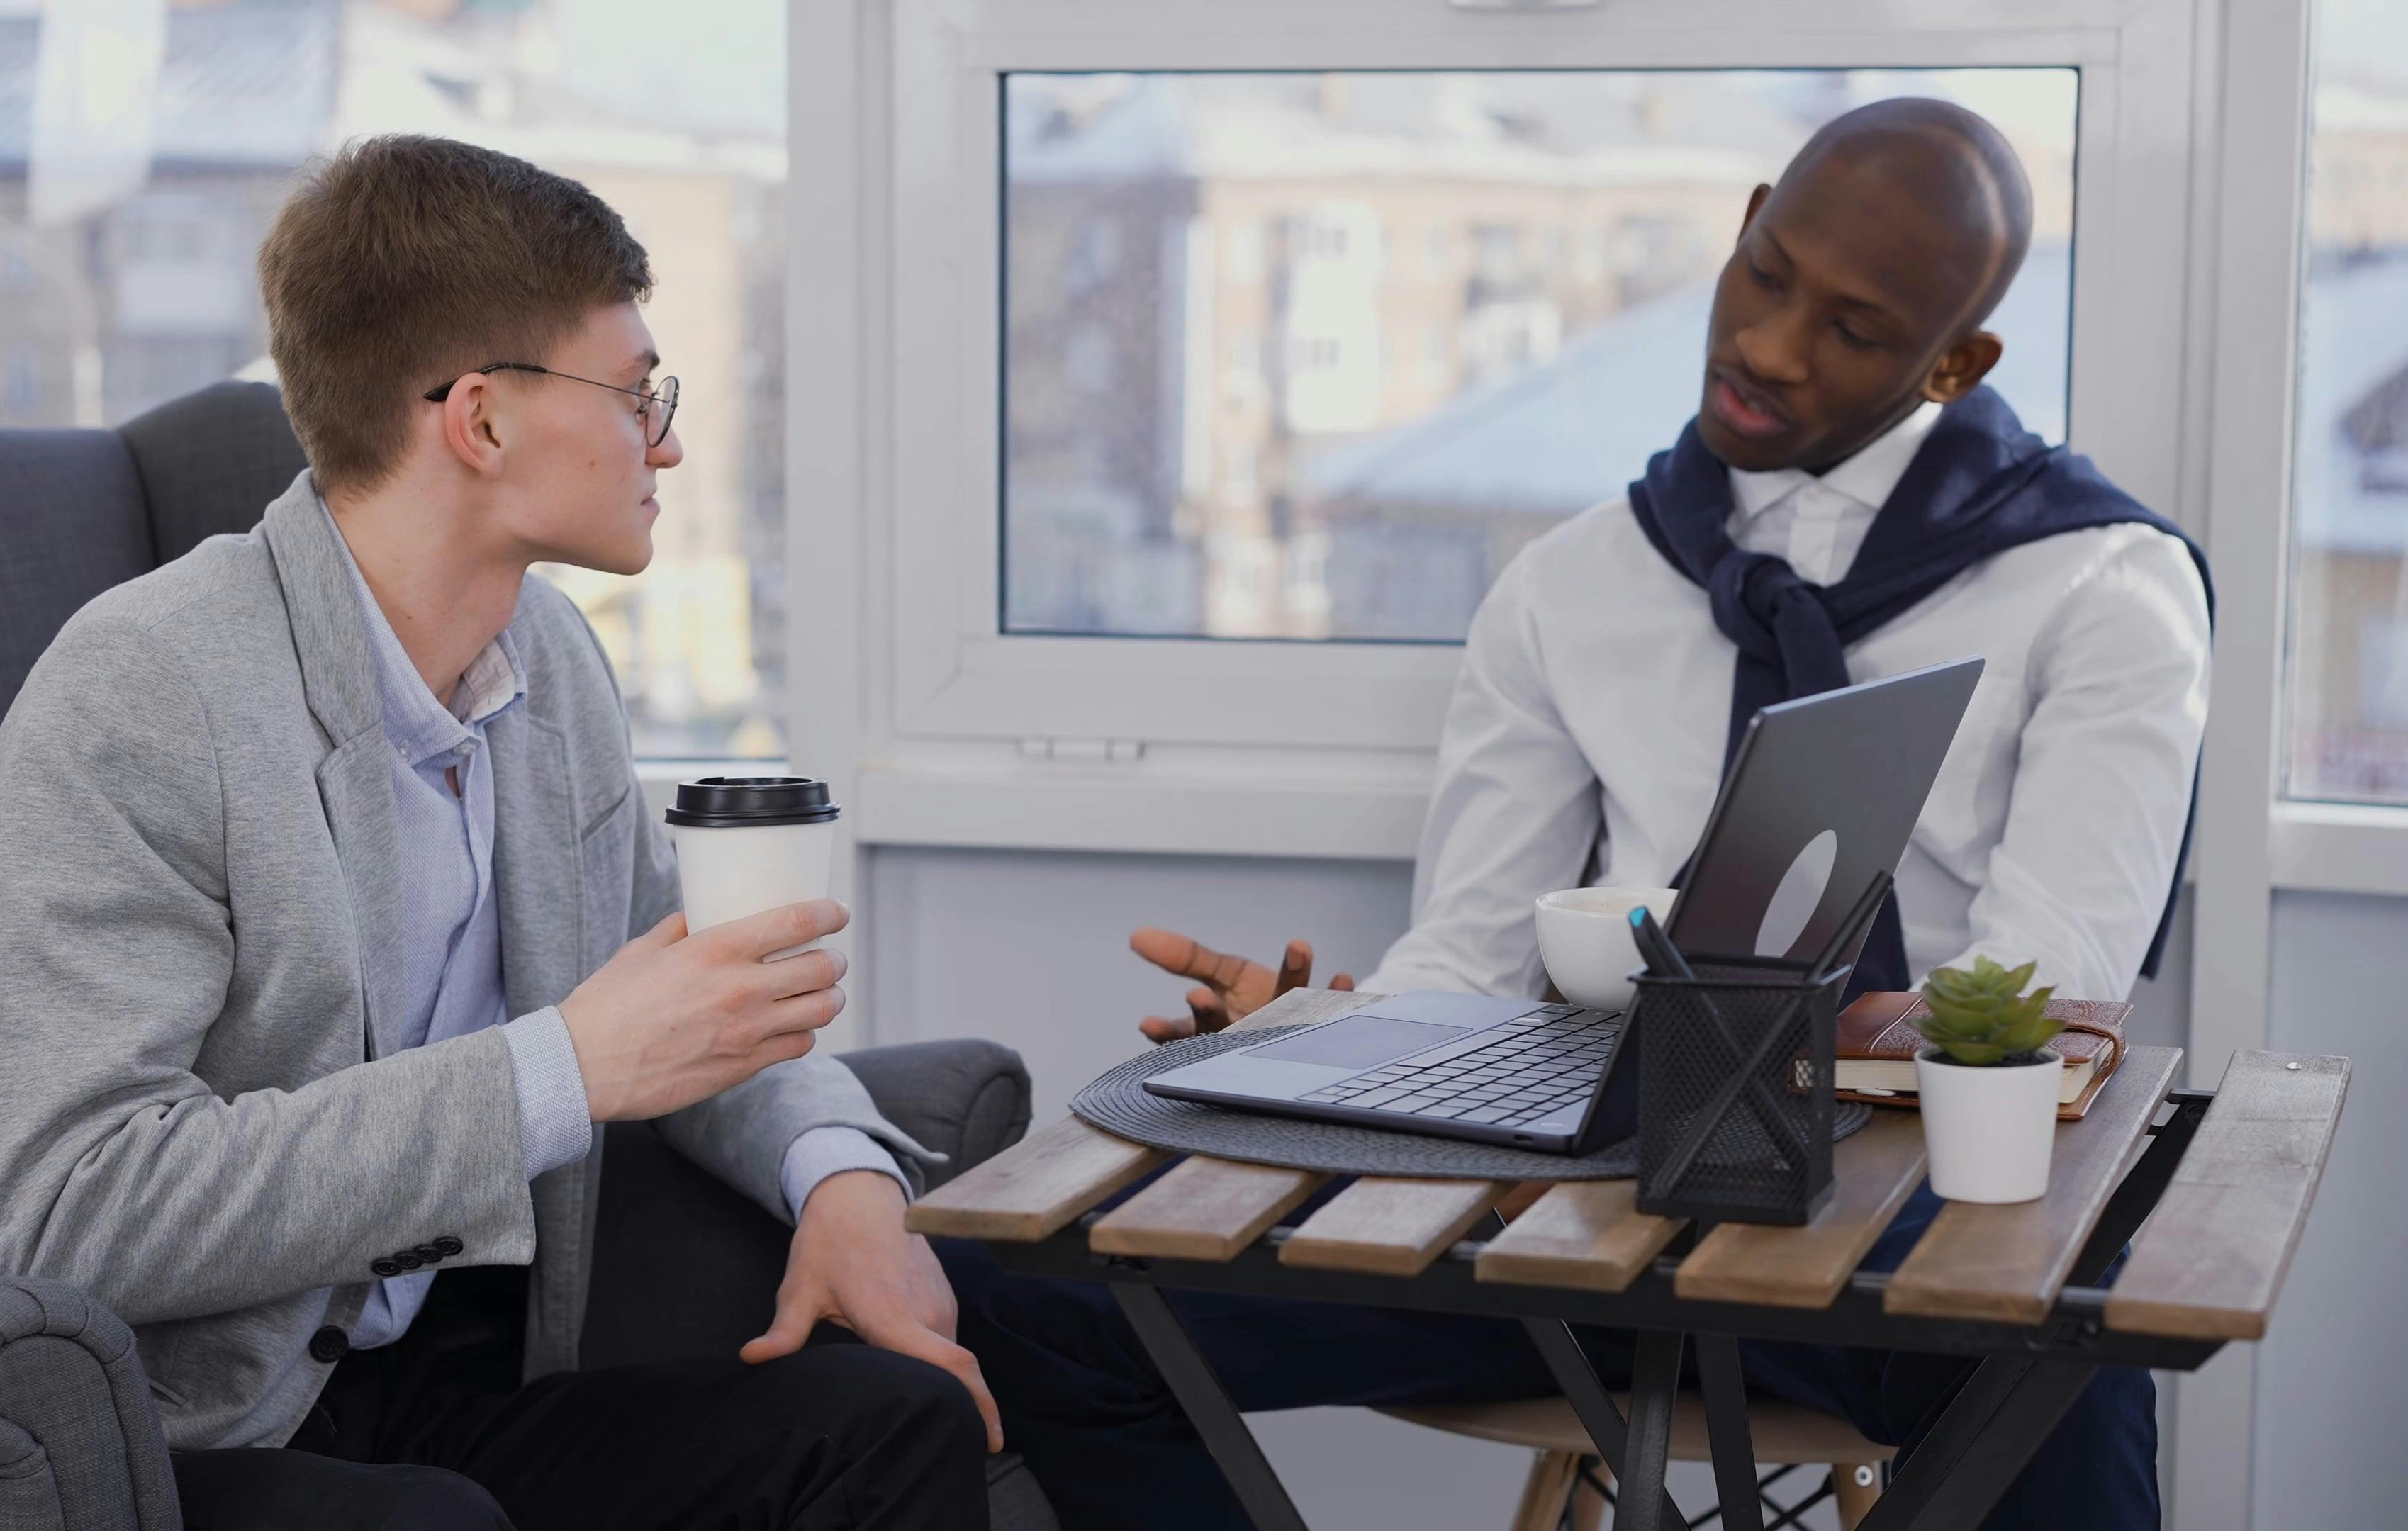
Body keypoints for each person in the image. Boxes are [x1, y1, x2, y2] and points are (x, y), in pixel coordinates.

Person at [942, 98, 2210, 1531]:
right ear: (1746, 226)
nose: (1770, 347)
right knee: (1017, 1292)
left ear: (1954, 364)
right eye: (1768, 275)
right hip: (1577, 1214)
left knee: (2059, 1357)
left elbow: (2044, 988)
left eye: (1855, 330)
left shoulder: (2105, 588)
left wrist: (1806, 1055)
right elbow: (1469, 956)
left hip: (1899, 1229)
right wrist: (1322, 1052)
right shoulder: (1572, 581)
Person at [0, 137, 992, 1530]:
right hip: (172, 1438)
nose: (669, 441)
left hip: (450, 1383)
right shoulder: (144, 688)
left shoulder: (550, 665)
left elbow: (675, 1005)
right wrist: (560, 1070)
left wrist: (843, 1179)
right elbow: (77, 1211)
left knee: (894, 1425)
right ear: (481, 422)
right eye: (637, 395)